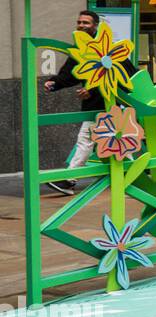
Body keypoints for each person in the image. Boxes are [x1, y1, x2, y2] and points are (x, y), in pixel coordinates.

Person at [43, 11, 137, 196]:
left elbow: (124, 77)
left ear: (95, 25)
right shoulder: (80, 47)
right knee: (118, 142)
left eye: (85, 22)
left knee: (89, 139)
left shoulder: (108, 47)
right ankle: (133, 176)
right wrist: (55, 83)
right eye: (79, 22)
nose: (81, 25)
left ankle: (69, 180)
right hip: (95, 104)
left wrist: (92, 89)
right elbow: (70, 73)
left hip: (112, 104)